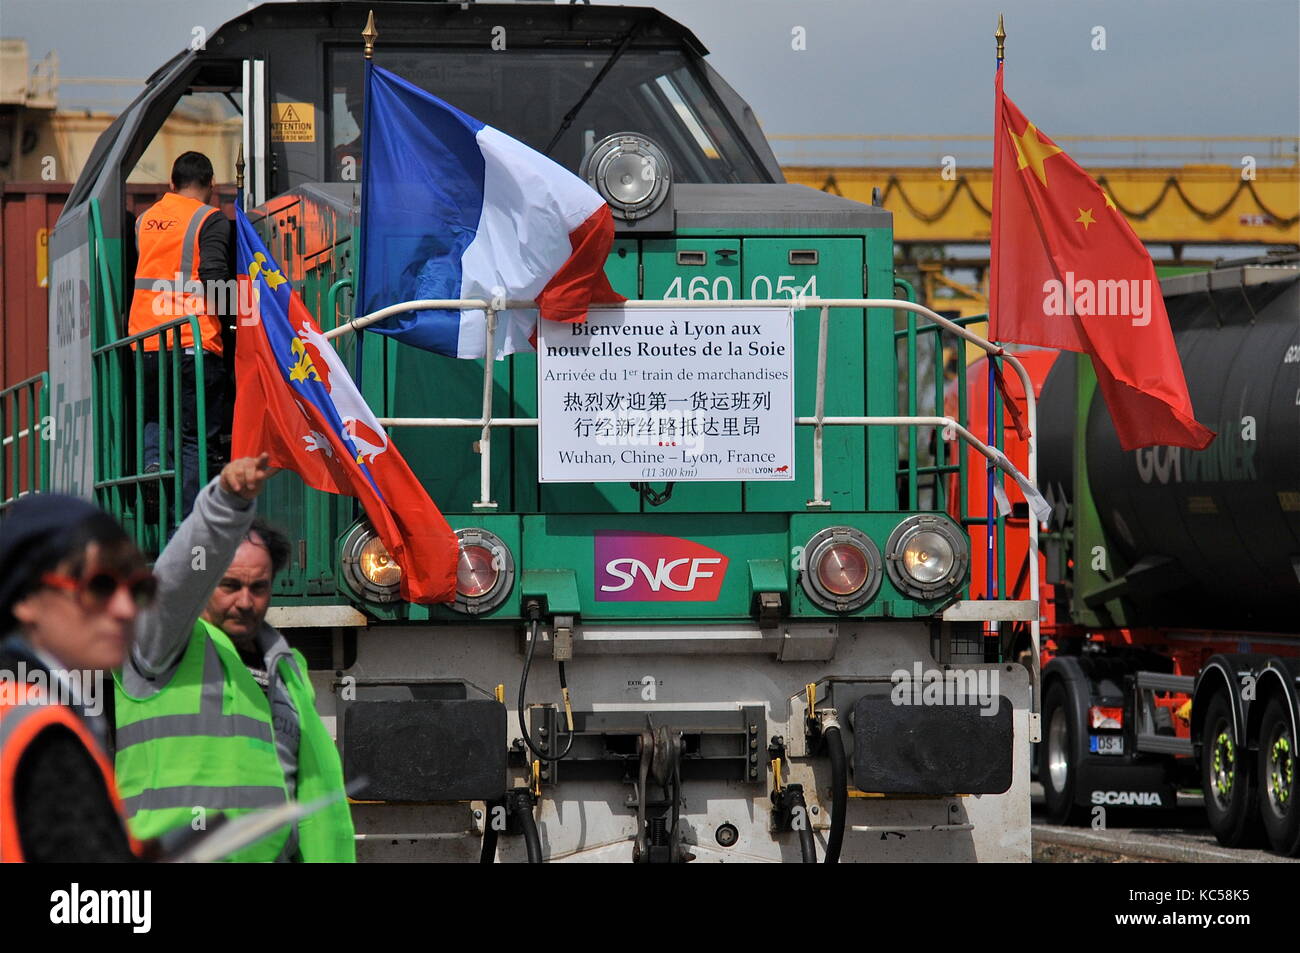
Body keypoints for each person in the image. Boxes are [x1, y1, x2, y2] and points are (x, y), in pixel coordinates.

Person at [114, 459, 356, 862]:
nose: (245, 602)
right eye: (230, 585)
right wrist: (227, 503)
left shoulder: (287, 670)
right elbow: (174, 585)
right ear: (205, 582)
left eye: (258, 587)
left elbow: (315, 799)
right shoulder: (161, 646)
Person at [0, 493, 152, 861]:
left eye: (138, 588)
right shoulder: (45, 733)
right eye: (99, 586)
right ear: (27, 598)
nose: (125, 608)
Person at [128, 151, 231, 516]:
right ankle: (189, 526)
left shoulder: (144, 221)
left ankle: (154, 462)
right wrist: (241, 315)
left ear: (171, 185)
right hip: (193, 343)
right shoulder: (209, 218)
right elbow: (215, 276)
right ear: (211, 185)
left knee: (157, 415)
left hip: (145, 343)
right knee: (195, 438)